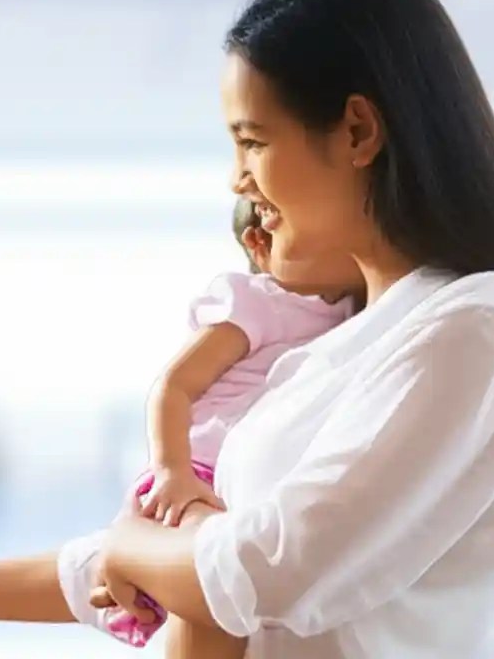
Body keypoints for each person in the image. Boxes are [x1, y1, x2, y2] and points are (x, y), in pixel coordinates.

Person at [0, 0, 494, 658]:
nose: (239, 180)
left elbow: (261, 571)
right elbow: (169, 565)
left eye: (252, 142)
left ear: (358, 131)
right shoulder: (346, 343)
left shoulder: (475, 327)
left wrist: (136, 545)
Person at [97, 197, 359, 651]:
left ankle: (126, 580)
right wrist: (173, 473)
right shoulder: (257, 301)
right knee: (212, 581)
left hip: (239, 484)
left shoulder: (353, 308)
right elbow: (173, 388)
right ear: (260, 244)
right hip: (195, 470)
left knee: (220, 594)